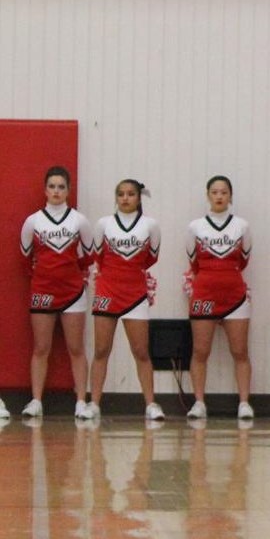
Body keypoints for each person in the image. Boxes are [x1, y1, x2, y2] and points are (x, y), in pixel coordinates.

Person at [20, 165, 93, 420]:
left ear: (68, 190)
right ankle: (36, 400)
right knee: (41, 347)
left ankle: (81, 402)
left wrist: (69, 275)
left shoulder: (79, 220)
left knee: (76, 348)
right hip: (42, 291)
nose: (56, 191)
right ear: (45, 189)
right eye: (52, 186)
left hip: (73, 292)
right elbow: (26, 256)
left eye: (61, 187)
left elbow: (88, 255)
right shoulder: (33, 221)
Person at [88, 179, 163, 421]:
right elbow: (97, 255)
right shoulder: (103, 224)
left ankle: (151, 405)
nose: (125, 198)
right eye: (120, 194)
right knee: (101, 349)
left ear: (139, 197)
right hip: (107, 291)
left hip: (135, 294)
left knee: (141, 351)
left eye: (130, 194)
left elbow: (151, 257)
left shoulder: (150, 225)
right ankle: (94, 404)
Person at [185, 175, 255, 421]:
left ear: (230, 196)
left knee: (240, 351)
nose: (219, 196)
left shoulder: (242, 226)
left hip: (235, 295)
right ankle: (199, 403)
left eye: (224, 192)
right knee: (200, 351)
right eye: (214, 192)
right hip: (204, 294)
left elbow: (244, 259)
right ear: (208, 196)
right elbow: (194, 262)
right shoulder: (195, 227)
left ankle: (244, 403)